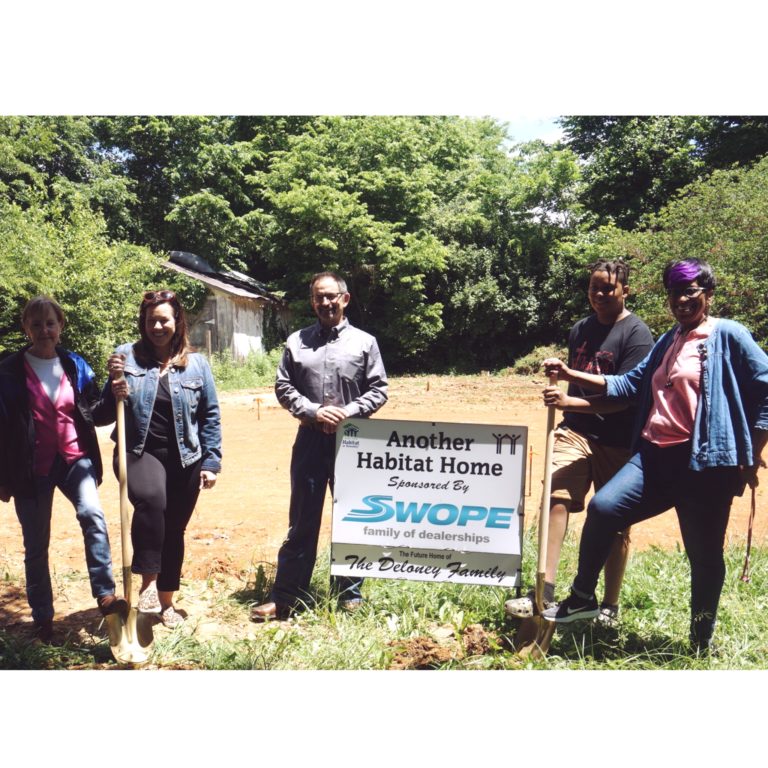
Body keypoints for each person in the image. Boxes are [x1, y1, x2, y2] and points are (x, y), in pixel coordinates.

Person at [541, 258, 768, 651]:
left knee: (704, 556)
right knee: (605, 508)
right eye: (674, 293)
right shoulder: (669, 340)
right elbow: (629, 384)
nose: (681, 300)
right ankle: (582, 597)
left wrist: (753, 448)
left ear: (708, 295)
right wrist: (570, 375)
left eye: (690, 292)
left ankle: (700, 640)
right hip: (652, 457)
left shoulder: (727, 334)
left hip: (703, 464)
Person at [505, 259, 653, 624]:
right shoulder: (580, 330)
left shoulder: (638, 335)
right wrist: (568, 400)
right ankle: (545, 590)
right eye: (594, 288)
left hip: (619, 440)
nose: (600, 294)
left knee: (616, 521)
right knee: (556, 498)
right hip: (576, 431)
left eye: (608, 288)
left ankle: (610, 604)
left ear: (625, 290)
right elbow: (577, 383)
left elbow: (627, 396)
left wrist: (570, 401)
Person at [251, 271, 388, 621]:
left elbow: (379, 389)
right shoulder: (297, 342)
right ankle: (286, 596)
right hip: (310, 440)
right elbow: (283, 386)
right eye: (318, 297)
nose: (325, 303)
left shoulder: (365, 342)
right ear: (312, 302)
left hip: (353, 442)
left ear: (344, 299)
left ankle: (349, 593)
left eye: (331, 296)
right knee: (302, 521)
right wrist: (313, 411)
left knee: (352, 517)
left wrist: (348, 412)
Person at [0, 296, 127, 642]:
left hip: (75, 459)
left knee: (93, 515)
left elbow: (95, 413)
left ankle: (105, 595)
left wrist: (112, 390)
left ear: (61, 326)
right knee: (36, 544)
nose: (44, 330)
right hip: (30, 468)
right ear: (26, 328)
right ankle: (43, 619)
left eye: (50, 323)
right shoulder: (8, 371)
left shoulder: (74, 365)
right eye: (36, 323)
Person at [104, 289, 222, 629]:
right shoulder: (125, 357)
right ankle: (149, 584)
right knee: (152, 500)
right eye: (151, 320)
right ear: (143, 323)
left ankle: (167, 603)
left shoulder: (196, 364)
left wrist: (212, 462)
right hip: (139, 452)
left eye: (164, 320)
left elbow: (210, 415)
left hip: (187, 458)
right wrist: (113, 386)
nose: (157, 326)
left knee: (174, 529)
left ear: (177, 322)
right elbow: (99, 413)